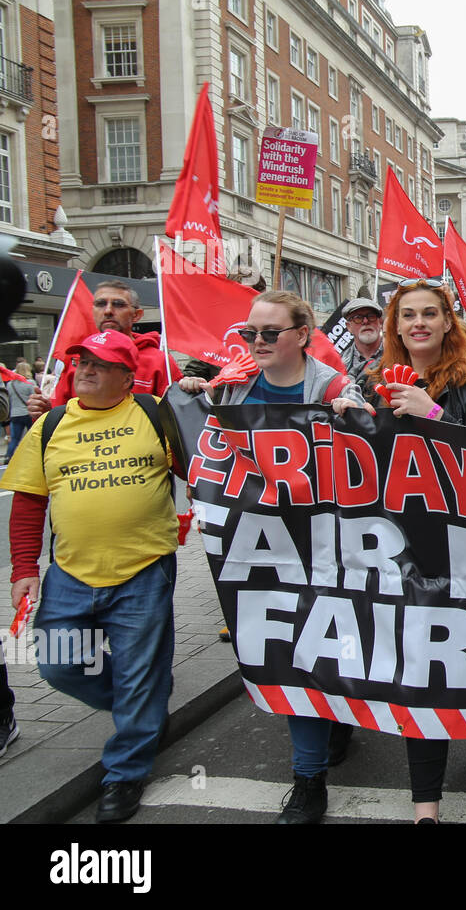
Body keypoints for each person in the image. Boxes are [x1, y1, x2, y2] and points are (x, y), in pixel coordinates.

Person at [178, 290, 367, 823]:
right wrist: (190, 394)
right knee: (289, 655)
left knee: (325, 649)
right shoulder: (233, 385)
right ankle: (308, 781)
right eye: (249, 333)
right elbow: (193, 443)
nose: (256, 343)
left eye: (269, 333)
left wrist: (356, 415)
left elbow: (372, 442)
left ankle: (337, 715)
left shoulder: (330, 385)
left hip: (328, 548)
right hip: (260, 551)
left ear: (303, 335)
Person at [2, 330, 182, 822]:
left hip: (144, 571)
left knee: (139, 674)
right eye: (81, 361)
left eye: (100, 364)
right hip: (70, 574)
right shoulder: (50, 425)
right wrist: (24, 568)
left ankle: (124, 772)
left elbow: (202, 471)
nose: (85, 369)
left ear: (128, 376)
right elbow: (28, 501)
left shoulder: (154, 415)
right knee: (59, 666)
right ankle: (142, 712)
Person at [360, 278, 466, 823]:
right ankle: (427, 809)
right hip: (401, 546)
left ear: (448, 322)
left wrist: (434, 414)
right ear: (395, 325)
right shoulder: (372, 379)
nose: (418, 322)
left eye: (430, 313)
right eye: (408, 314)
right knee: (421, 662)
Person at [29, 281, 181, 417]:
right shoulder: (77, 358)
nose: (108, 311)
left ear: (136, 315)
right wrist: (46, 412)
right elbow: (61, 412)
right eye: (101, 304)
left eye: (118, 304)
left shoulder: (159, 361)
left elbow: (177, 416)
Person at [341, 297, 384, 382]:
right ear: (349, 327)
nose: (365, 321)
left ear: (380, 322)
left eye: (371, 316)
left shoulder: (399, 354)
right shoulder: (339, 363)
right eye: (358, 318)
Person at [5, 362, 35, 463]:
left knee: (15, 439)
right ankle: (33, 457)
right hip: (29, 413)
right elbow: (35, 397)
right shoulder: (30, 383)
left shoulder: (10, 384)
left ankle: (8, 457)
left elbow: (8, 399)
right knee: (33, 437)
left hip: (15, 414)